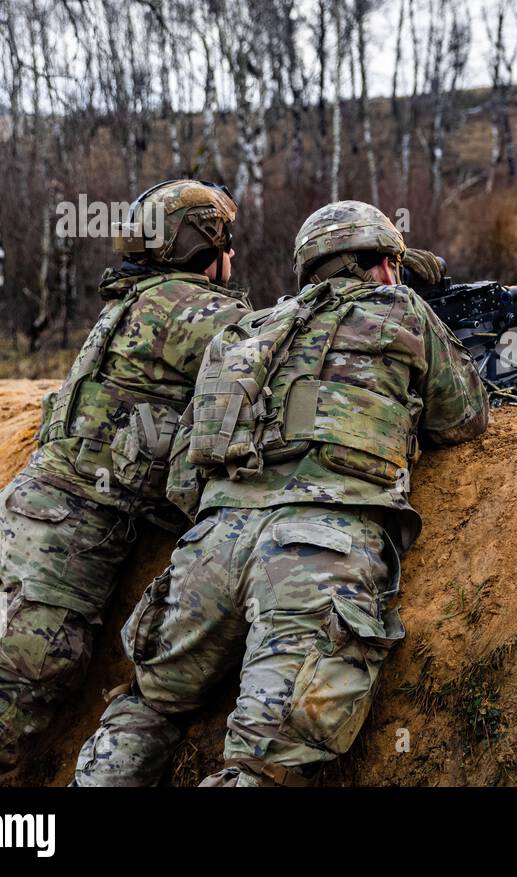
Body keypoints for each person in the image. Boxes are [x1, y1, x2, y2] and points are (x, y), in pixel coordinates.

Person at [74, 200, 488, 786]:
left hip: (212, 548)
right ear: (386, 265)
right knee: (265, 764)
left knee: (151, 705)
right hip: (315, 553)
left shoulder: (248, 329)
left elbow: (185, 473)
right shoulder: (402, 309)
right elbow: (464, 416)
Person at [0, 180, 251, 786]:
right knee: (0, 715)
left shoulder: (127, 304)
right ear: (207, 243)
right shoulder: (200, 312)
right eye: (228, 242)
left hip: (19, 521)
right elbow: (296, 353)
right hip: (63, 549)